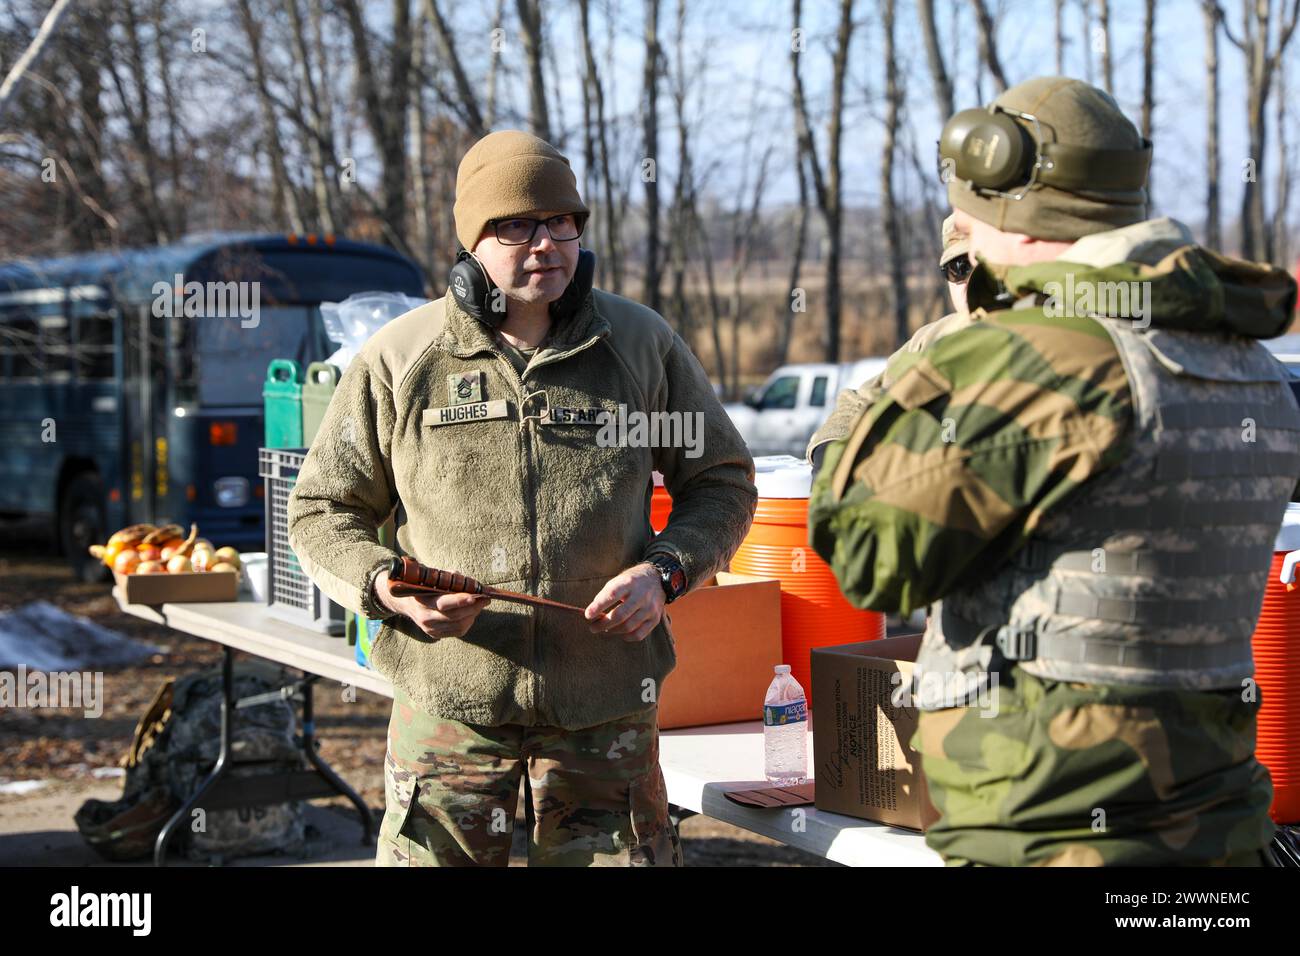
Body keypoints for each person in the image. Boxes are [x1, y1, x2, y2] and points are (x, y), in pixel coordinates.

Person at [808, 76, 1300, 866]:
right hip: (1215, 823)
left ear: (1014, 207)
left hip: (1055, 830)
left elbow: (867, 555)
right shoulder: (1243, 359)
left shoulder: (1044, 358)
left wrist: (880, 414)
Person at [287, 129, 757, 866]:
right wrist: (384, 586)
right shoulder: (402, 358)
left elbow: (722, 482)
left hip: (605, 710)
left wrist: (667, 572)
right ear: (472, 242)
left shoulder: (638, 346)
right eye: (516, 226)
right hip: (448, 707)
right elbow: (322, 509)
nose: (546, 244)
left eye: (563, 222)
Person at [807, 214, 973, 472]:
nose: (972, 281)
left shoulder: (1042, 335)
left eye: (984, 265)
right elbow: (858, 404)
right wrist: (831, 457)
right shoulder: (931, 339)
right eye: (959, 268)